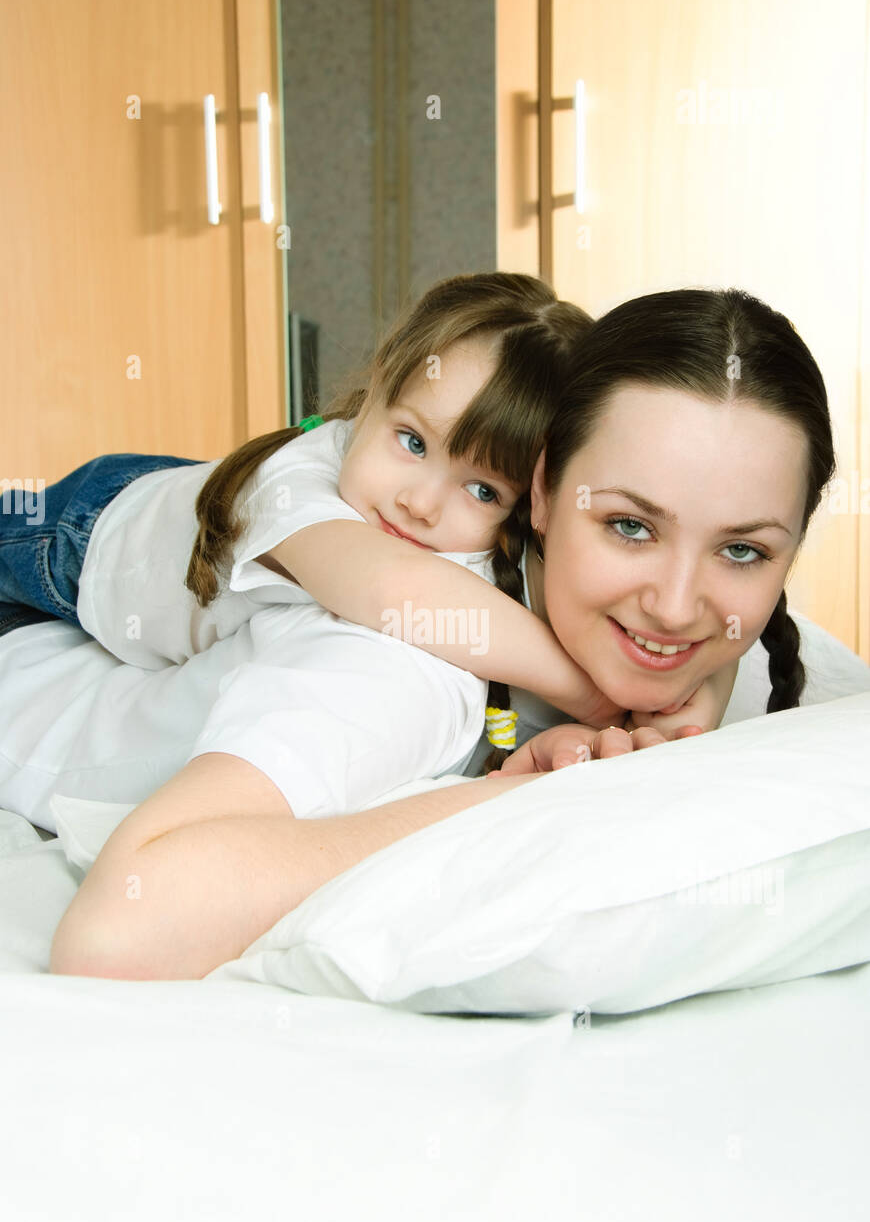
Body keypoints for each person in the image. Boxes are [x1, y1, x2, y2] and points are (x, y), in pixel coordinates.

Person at [43, 283, 864, 980]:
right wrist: (520, 784)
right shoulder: (381, 619)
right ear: (541, 494)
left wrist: (694, 698)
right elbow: (114, 935)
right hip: (76, 534)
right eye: (630, 526)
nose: (679, 608)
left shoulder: (709, 633)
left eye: (743, 549)